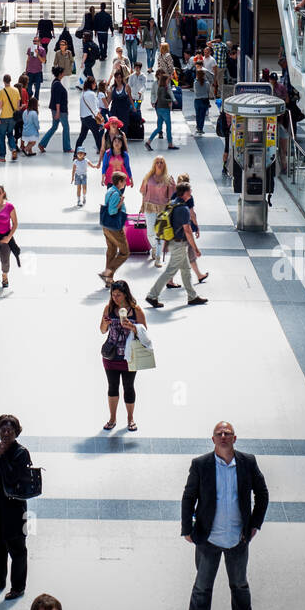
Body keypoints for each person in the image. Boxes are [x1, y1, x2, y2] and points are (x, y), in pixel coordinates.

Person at [181, 420, 269, 610]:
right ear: (213, 439)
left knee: (240, 586)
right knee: (202, 587)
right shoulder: (201, 465)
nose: (223, 436)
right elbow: (189, 497)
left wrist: (255, 524)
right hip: (208, 540)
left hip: (238, 540)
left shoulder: (247, 463)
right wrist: (187, 529)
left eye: (227, 433)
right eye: (219, 433)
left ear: (234, 438)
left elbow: (262, 493)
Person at [0, 415, 34, 598]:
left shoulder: (21, 453)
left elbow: (12, 479)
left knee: (17, 550)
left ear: (16, 432)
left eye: (10, 431)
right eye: (2, 430)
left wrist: (2, 457)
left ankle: (18, 587)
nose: (5, 434)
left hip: (14, 511)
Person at [145, 183, 206, 308]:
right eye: (189, 191)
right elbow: (188, 231)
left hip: (173, 242)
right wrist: (195, 249)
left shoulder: (172, 203)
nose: (191, 193)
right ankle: (152, 295)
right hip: (179, 244)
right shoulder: (183, 209)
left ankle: (192, 296)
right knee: (170, 271)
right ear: (184, 193)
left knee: (185, 269)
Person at [100, 282, 147, 431]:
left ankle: (130, 418)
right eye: (113, 295)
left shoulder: (136, 310)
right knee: (112, 387)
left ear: (125, 294)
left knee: (128, 386)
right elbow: (102, 330)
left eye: (118, 295)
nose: (115, 298)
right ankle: (112, 418)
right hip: (111, 355)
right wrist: (105, 322)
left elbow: (144, 332)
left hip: (130, 356)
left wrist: (132, 326)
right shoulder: (109, 308)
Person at [140, 157, 175, 266]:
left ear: (164, 165)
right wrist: (142, 205)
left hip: (162, 209)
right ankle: (154, 248)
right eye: (157, 162)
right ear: (154, 164)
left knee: (159, 233)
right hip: (149, 207)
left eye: (161, 162)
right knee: (150, 232)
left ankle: (158, 258)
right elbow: (143, 192)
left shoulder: (169, 179)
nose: (159, 164)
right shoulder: (148, 177)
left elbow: (172, 197)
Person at [99, 170, 130, 285]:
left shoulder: (110, 190)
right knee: (124, 252)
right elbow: (112, 211)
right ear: (119, 182)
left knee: (111, 250)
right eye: (124, 181)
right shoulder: (116, 194)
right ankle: (107, 272)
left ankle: (108, 280)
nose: (125, 184)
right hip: (114, 227)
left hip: (106, 226)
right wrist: (120, 203)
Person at [39, 65, 71, 153]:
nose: (64, 74)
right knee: (66, 127)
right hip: (60, 111)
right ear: (60, 74)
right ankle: (67, 147)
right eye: (63, 73)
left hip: (56, 109)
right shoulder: (58, 85)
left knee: (54, 127)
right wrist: (57, 112)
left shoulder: (55, 82)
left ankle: (42, 143)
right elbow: (57, 100)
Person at [146, 70, 176, 151]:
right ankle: (170, 144)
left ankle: (149, 142)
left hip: (159, 108)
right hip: (164, 109)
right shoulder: (162, 88)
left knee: (159, 127)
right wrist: (169, 101)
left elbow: (168, 93)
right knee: (168, 127)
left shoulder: (163, 87)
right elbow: (162, 98)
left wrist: (173, 99)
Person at [0, 74, 21, 163]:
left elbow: (0, 105)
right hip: (13, 118)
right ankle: (13, 149)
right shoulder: (16, 90)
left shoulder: (2, 92)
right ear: (10, 80)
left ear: (3, 81)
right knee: (10, 134)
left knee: (1, 137)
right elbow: (18, 106)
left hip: (3, 118)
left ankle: (2, 156)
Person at [75, 76, 104, 151]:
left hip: (83, 118)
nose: (95, 85)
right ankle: (103, 154)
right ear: (91, 84)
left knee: (82, 136)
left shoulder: (83, 93)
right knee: (97, 136)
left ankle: (76, 153)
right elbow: (95, 109)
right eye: (94, 83)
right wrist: (101, 118)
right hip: (90, 118)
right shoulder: (91, 94)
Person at [193, 66, 212, 135]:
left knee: (198, 115)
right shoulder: (207, 83)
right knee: (202, 115)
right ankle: (201, 128)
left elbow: (195, 91)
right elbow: (208, 91)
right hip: (204, 100)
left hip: (197, 100)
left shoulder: (195, 83)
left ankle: (198, 127)